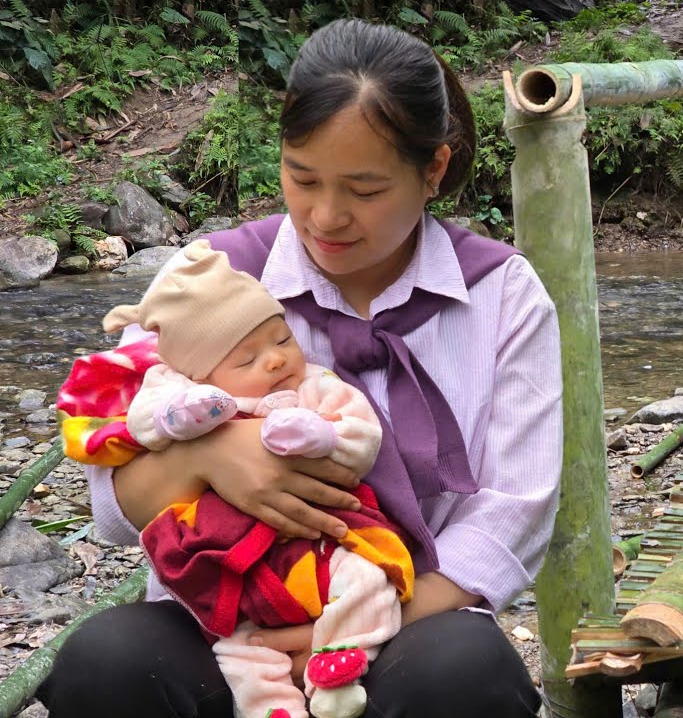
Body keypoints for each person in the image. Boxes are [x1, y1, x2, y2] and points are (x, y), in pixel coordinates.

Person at [38, 17, 560, 718]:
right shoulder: (212, 279)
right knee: (107, 661)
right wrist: (214, 457)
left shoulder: (501, 294)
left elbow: (514, 510)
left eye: (365, 190)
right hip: (227, 619)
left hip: (408, 617)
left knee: (465, 672)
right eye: (301, 177)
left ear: (433, 169)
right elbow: (113, 501)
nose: (325, 215)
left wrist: (349, 628)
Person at [58, 239, 415, 718]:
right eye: (246, 360)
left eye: (282, 340)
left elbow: (358, 435)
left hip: (322, 548)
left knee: (368, 580)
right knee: (237, 641)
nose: (274, 360)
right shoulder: (179, 387)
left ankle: (338, 663)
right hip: (231, 561)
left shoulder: (314, 385)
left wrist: (321, 436)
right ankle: (271, 709)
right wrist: (191, 434)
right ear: (199, 374)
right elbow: (142, 428)